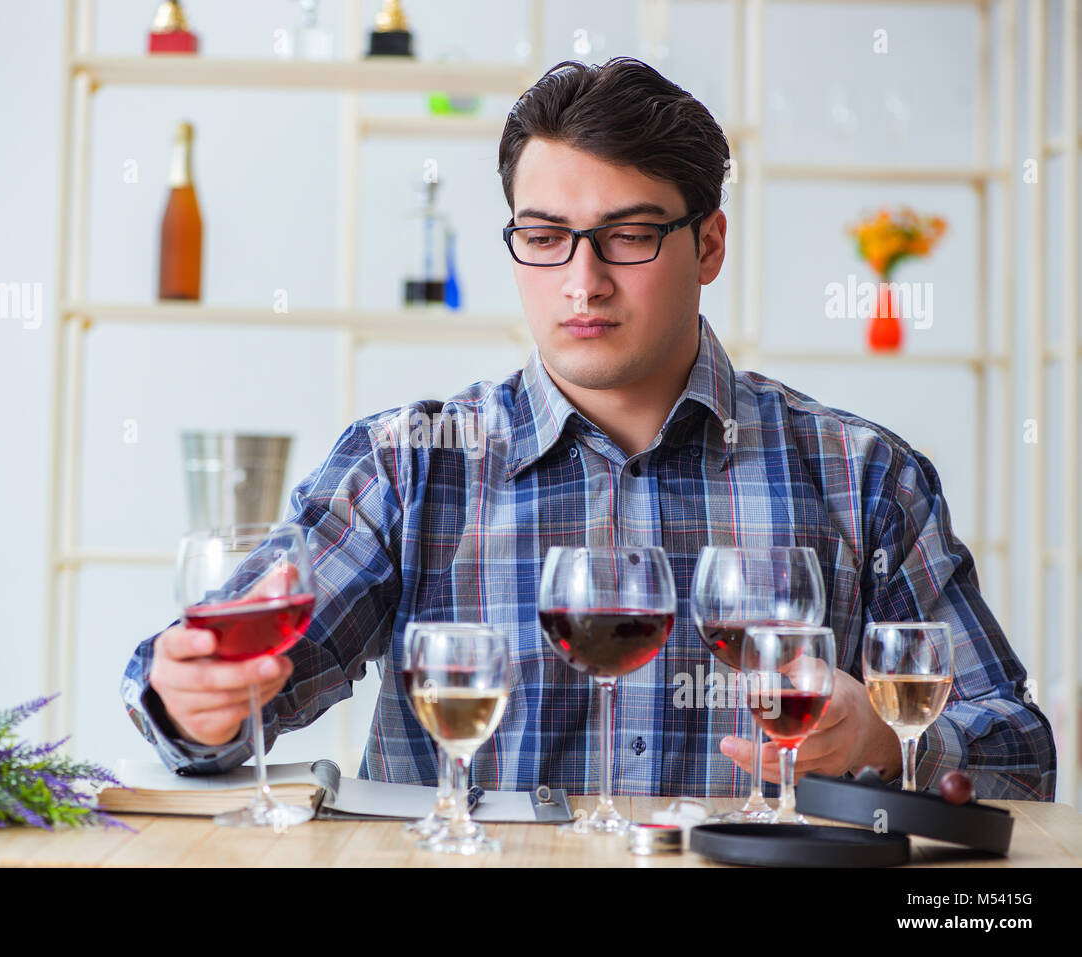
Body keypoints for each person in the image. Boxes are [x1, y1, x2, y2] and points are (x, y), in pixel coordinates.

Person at [121, 57, 1056, 800]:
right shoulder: (406, 466)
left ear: (709, 245)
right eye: (545, 237)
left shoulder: (863, 473)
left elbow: (1019, 751)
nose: (582, 281)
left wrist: (892, 740)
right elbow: (213, 692)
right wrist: (195, 702)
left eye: (629, 235)